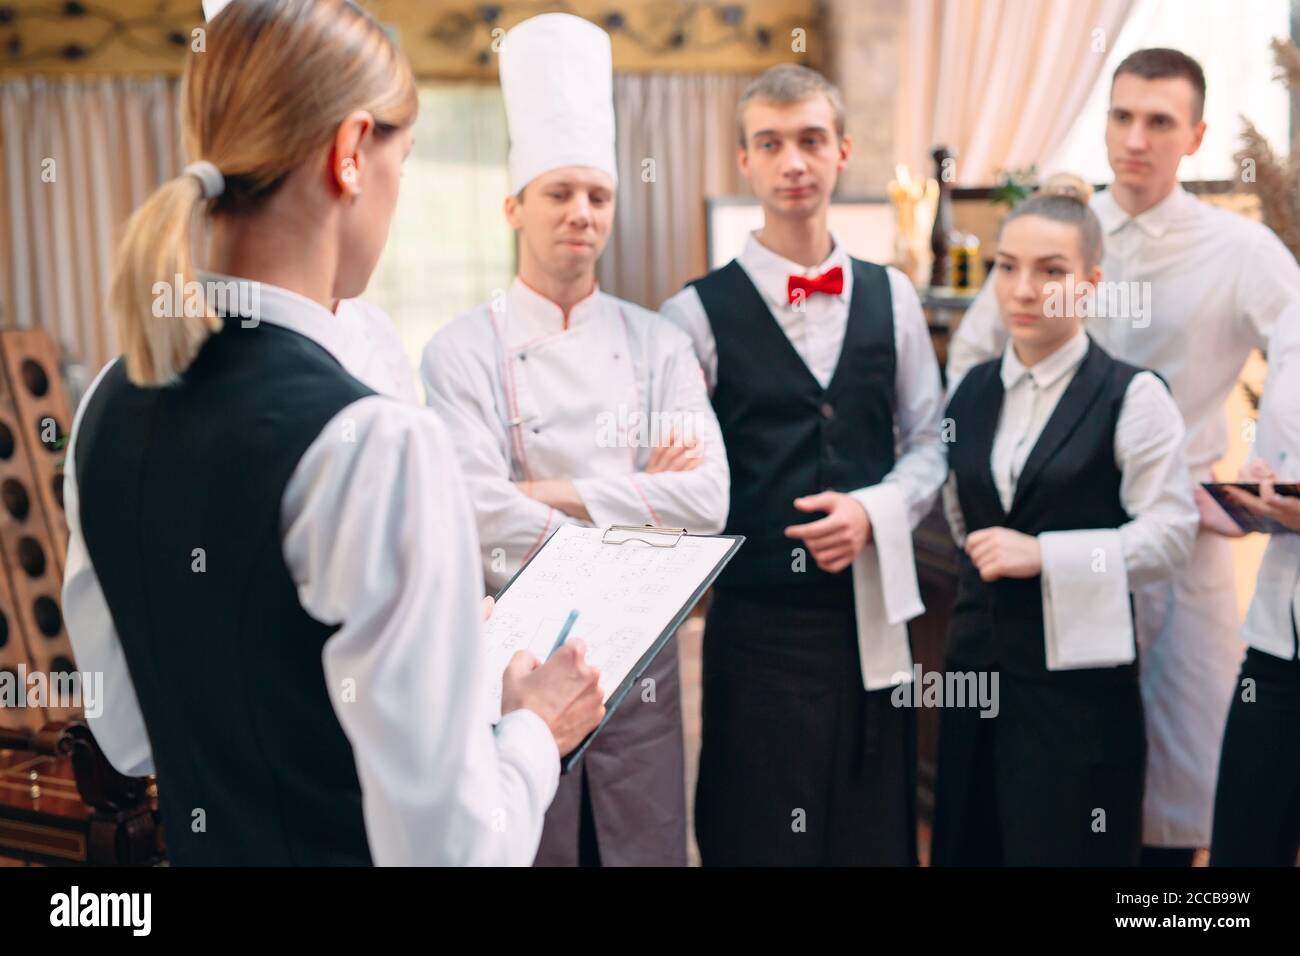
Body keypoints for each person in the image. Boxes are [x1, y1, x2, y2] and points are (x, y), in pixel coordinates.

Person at [61, 0, 603, 866]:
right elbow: (452, 856)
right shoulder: (376, 446)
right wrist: (532, 729)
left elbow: (124, 735)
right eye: (405, 161)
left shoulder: (106, 407)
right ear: (352, 153)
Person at [946, 48, 1300, 864]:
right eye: (1121, 116)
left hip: (1179, 538)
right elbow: (973, 360)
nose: (1135, 138)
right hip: (1044, 544)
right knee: (1064, 774)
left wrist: (1267, 463)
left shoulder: (1238, 249)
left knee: (1179, 782)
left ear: (1197, 136)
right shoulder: (1060, 234)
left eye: (1160, 121)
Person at [421, 13, 729, 867]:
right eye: (559, 193)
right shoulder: (459, 350)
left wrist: (542, 492)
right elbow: (478, 513)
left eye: (598, 196)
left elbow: (708, 500)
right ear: (515, 204)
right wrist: (643, 518)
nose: (581, 214)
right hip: (515, 675)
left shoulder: (659, 343)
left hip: (644, 679)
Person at [660, 64, 946, 865]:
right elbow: (680, 473)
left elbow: (931, 441)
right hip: (755, 623)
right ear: (744, 161)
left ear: (842, 151)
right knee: (757, 824)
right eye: (771, 143)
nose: (794, 161)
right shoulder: (690, 315)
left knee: (869, 828)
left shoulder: (895, 298)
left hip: (871, 617)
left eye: (811, 140)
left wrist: (874, 510)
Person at [933, 180, 1197, 865]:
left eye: (1051, 270)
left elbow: (1171, 534)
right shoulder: (970, 388)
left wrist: (1047, 555)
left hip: (1078, 698)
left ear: (1091, 283)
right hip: (974, 683)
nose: (1023, 289)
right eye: (1007, 265)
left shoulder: (1133, 397)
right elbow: (963, 514)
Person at [1208, 305, 1300, 866]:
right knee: (1242, 851)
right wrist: (1262, 486)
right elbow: (1276, 448)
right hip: (1276, 638)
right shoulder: (1294, 317)